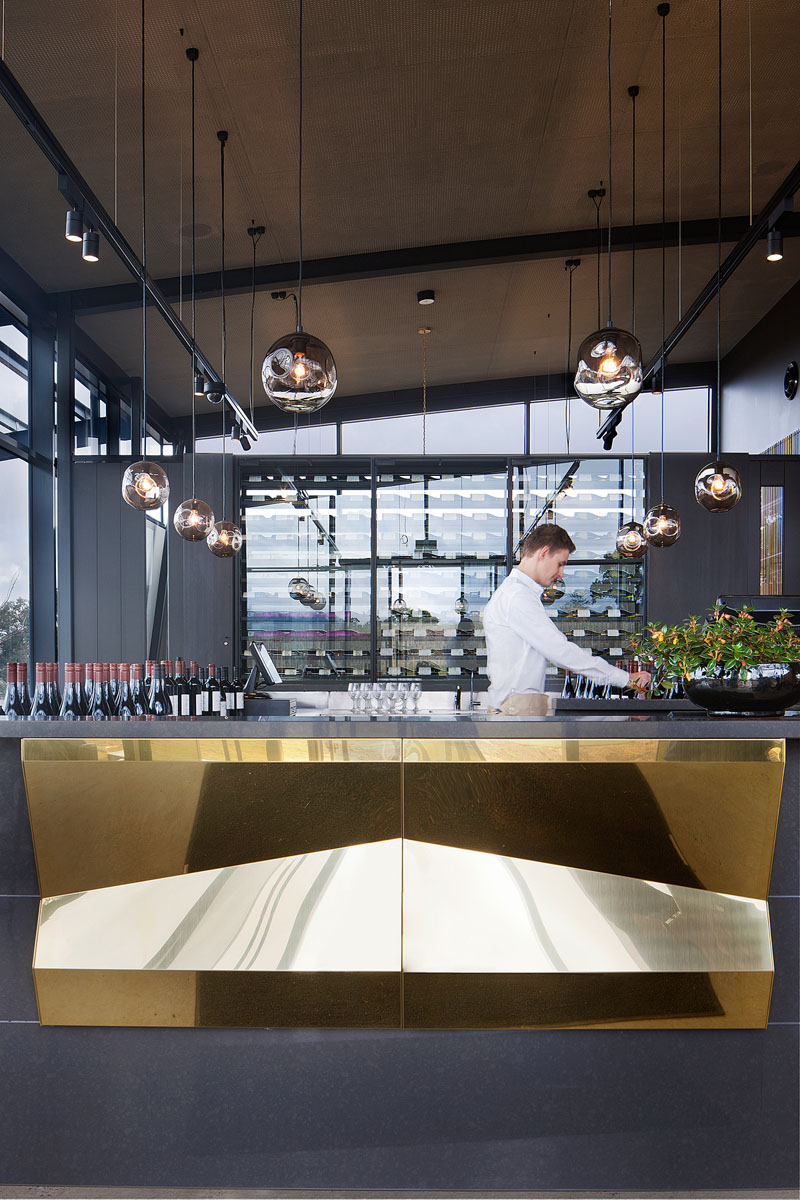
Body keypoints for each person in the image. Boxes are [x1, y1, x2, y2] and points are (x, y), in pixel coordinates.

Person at [483, 523, 651, 715]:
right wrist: (625, 678)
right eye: (560, 563)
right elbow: (560, 651)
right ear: (544, 553)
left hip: (516, 705)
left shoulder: (515, 593)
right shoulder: (517, 597)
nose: (561, 574)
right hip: (517, 709)